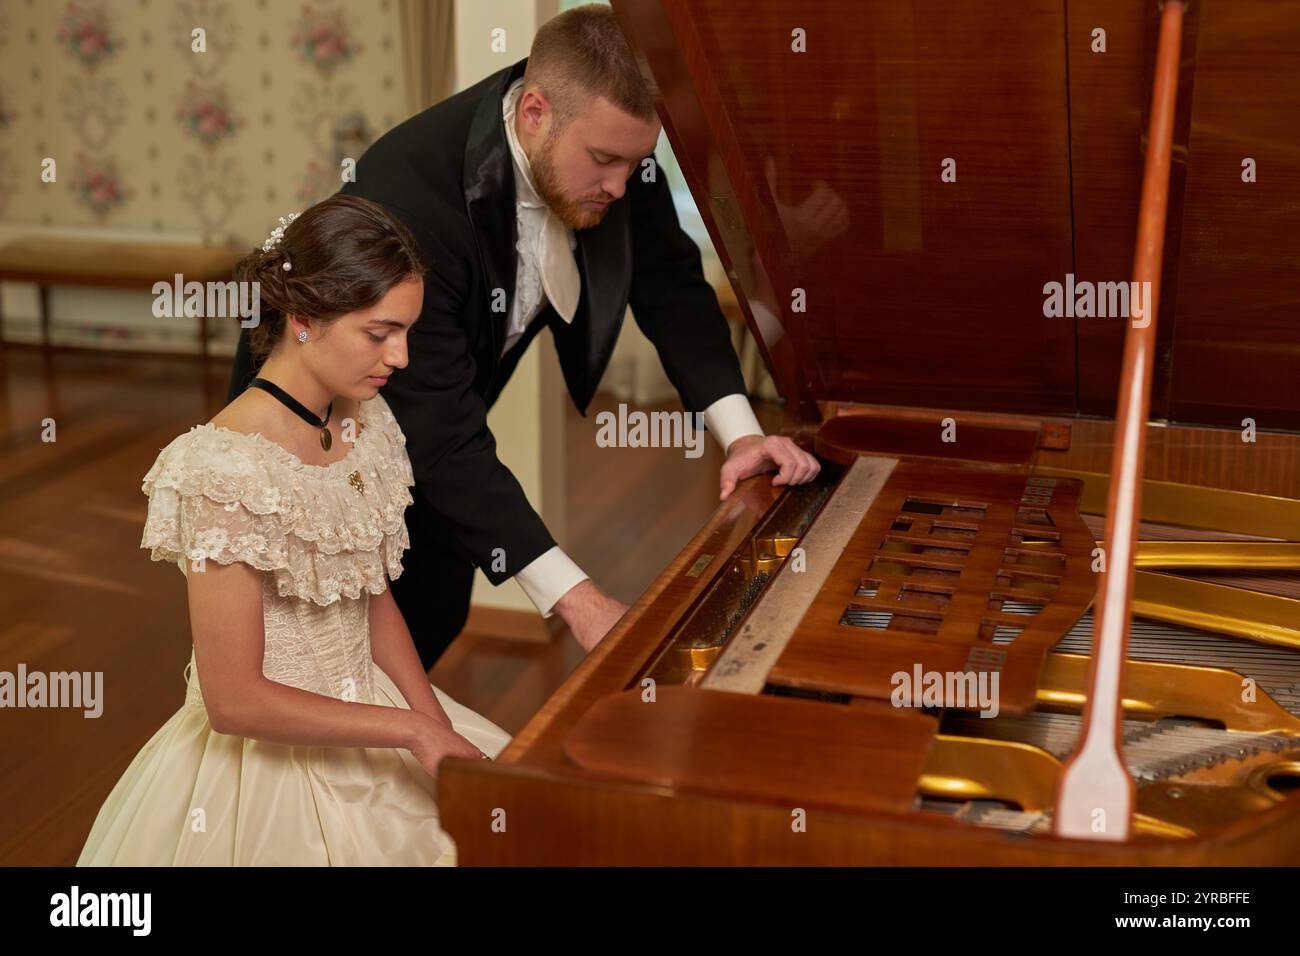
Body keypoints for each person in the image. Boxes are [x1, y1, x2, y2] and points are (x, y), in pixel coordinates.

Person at [226, 4, 822, 671]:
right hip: (319, 440)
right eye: (603, 161)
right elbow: (440, 430)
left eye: (636, 163)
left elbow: (673, 290)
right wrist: (579, 599)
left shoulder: (617, 155)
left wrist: (742, 436)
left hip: (432, 428)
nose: (621, 186)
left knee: (432, 610)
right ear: (534, 113)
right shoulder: (413, 201)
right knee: (311, 647)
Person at [78, 196, 508, 866]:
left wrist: (436, 727)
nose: (400, 355)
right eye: (378, 333)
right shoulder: (221, 467)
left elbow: (372, 598)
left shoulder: (367, 424)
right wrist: (407, 731)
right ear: (303, 319)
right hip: (264, 762)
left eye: (408, 332)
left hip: (376, 704)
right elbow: (233, 700)